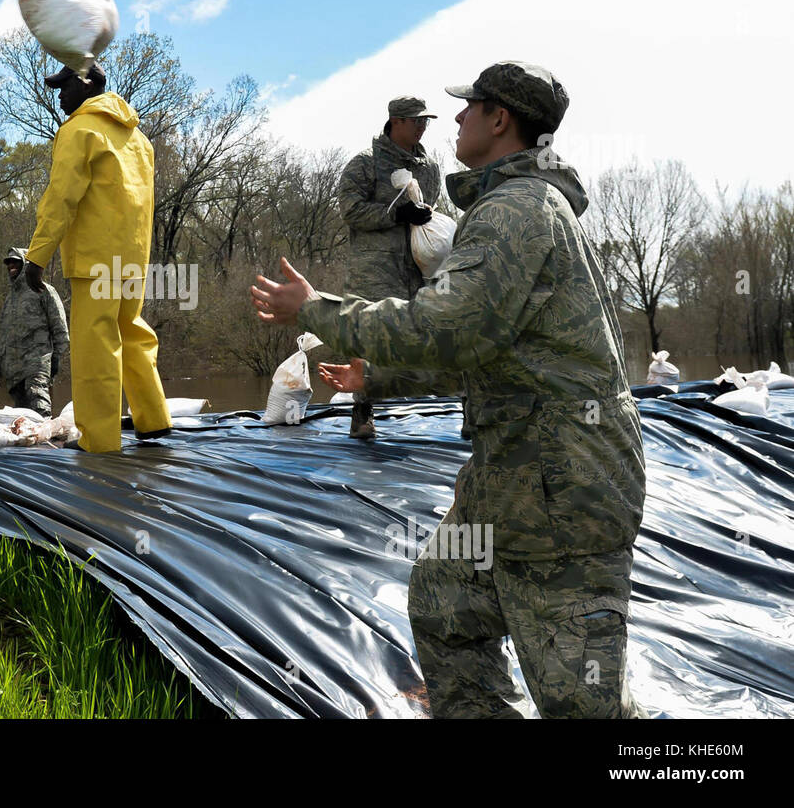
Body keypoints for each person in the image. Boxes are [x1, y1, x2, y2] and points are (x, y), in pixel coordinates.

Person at [251, 61, 646, 719]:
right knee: (442, 602)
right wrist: (374, 376)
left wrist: (316, 309)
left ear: (501, 120)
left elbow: (450, 328)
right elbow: (482, 342)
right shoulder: (506, 206)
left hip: (564, 487)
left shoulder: (518, 210)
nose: (456, 119)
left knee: (582, 702)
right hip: (515, 476)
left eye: (469, 107)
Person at [22, 63, 170, 452]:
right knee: (133, 334)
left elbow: (61, 197)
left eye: (64, 86)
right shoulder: (139, 139)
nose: (59, 95)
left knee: (95, 348)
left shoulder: (79, 130)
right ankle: (153, 421)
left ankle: (99, 440)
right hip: (133, 258)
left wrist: (37, 255)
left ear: (85, 84)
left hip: (94, 259)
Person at [339, 95, 444, 439]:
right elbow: (351, 211)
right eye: (416, 121)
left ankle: (467, 408)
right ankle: (362, 413)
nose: (422, 127)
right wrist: (394, 213)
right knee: (368, 339)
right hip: (375, 268)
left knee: (432, 332)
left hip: (416, 266)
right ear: (395, 121)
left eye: (425, 121)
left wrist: (424, 219)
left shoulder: (429, 168)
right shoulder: (365, 164)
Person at [0, 247, 68, 417]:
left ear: (25, 264)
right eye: (8, 262)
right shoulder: (10, 299)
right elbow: (3, 335)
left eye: (15, 261)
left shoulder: (43, 290)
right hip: (14, 369)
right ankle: (29, 440)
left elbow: (60, 328)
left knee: (39, 405)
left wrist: (56, 358)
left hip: (37, 362)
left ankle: (45, 439)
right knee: (22, 415)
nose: (11, 265)